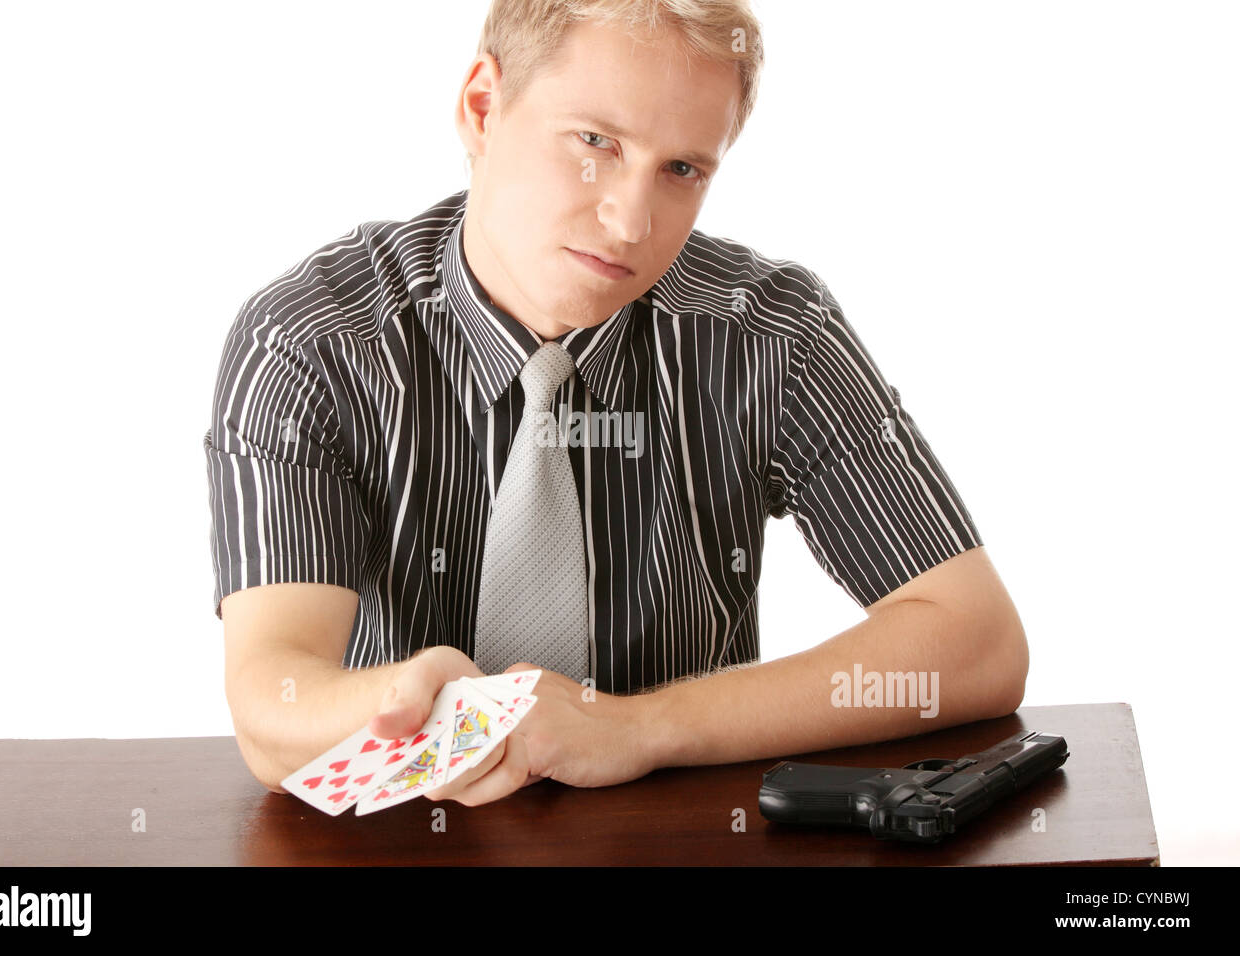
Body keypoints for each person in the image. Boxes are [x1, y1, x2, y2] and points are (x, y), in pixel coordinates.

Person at [204, 0, 1028, 808]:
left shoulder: (770, 333)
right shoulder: (312, 342)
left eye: (682, 170)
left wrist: (641, 728)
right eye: (595, 143)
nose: (631, 222)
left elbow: (978, 642)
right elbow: (272, 707)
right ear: (482, 107)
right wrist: (404, 699)